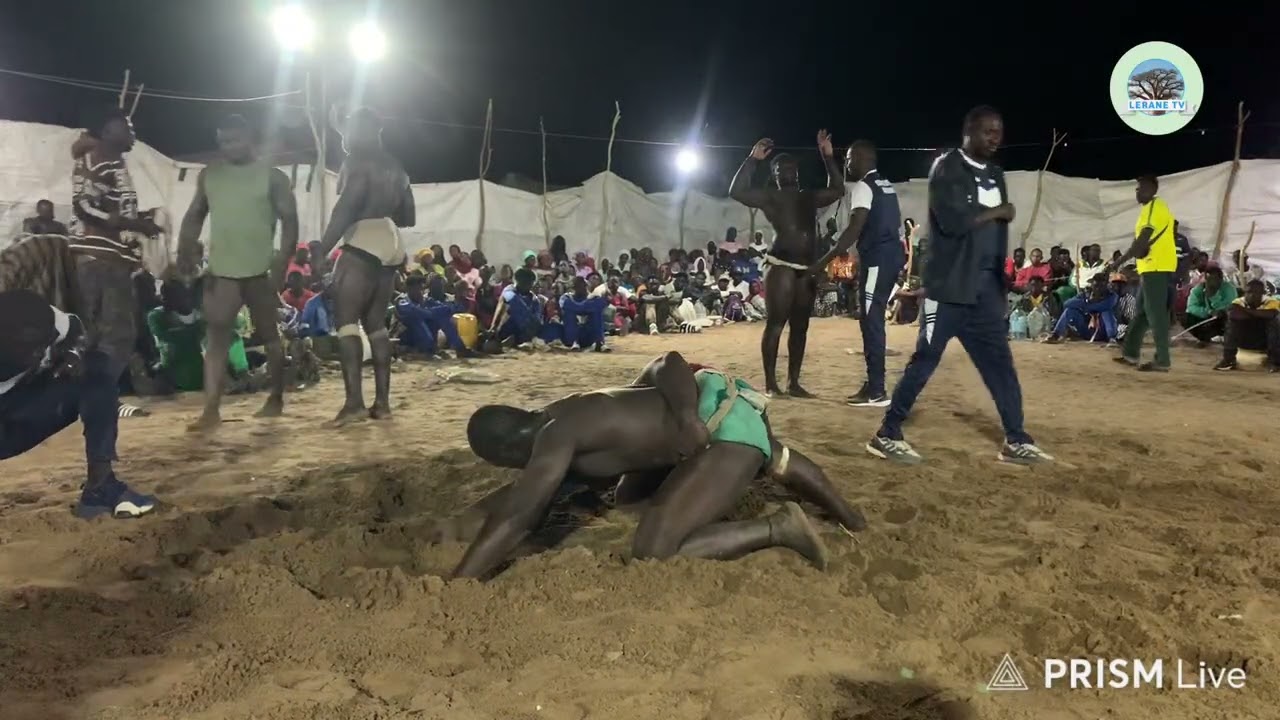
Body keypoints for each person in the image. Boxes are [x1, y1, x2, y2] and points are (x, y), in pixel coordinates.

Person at [446, 351, 868, 579]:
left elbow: (518, 518)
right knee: (629, 494)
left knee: (653, 549)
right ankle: (850, 516)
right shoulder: (570, 410)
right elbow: (660, 367)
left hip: (721, 429)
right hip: (728, 406)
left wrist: (460, 581)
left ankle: (778, 527)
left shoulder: (554, 437)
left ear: (508, 453)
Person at [866, 106, 1052, 466]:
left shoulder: (997, 174)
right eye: (988, 131)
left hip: (984, 292)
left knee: (1000, 364)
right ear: (969, 133)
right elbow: (951, 222)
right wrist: (999, 212)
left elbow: (994, 236)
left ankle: (1016, 438)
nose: (995, 137)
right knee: (925, 359)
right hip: (948, 289)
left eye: (999, 131)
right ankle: (887, 433)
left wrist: (1000, 280)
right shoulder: (947, 168)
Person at [67, 106, 164, 508]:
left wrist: (136, 221)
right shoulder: (103, 159)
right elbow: (82, 207)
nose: (133, 132)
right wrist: (135, 226)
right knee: (105, 360)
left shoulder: (106, 160)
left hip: (102, 262)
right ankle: (100, 481)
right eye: (126, 125)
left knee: (101, 361)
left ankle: (100, 475)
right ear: (107, 129)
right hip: (101, 265)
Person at [176, 114, 298, 430]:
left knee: (271, 336)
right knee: (216, 339)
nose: (229, 146)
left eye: (235, 139)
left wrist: (282, 262)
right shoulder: (210, 176)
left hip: (260, 270)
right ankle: (211, 410)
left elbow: (290, 222)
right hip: (222, 271)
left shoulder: (274, 178)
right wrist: (184, 249)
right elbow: (193, 216)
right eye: (223, 141)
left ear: (251, 139)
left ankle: (275, 398)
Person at [0, 290, 156, 518]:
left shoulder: (39, 316)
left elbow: (75, 329)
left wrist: (73, 354)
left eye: (42, 345)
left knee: (95, 370)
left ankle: (100, 486)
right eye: (28, 350)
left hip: (22, 408)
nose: (39, 354)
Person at [311, 107, 416, 424]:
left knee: (346, 322)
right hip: (390, 239)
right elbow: (408, 216)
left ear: (368, 131)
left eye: (351, 130)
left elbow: (346, 207)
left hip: (363, 237)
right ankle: (382, 405)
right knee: (376, 325)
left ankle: (354, 404)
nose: (346, 137)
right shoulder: (397, 167)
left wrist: (323, 249)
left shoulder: (357, 159)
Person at [729, 131, 845, 396]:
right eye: (781, 168)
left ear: (798, 172)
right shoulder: (771, 197)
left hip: (806, 270)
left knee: (801, 328)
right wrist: (752, 159)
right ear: (774, 174)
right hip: (781, 266)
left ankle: (794, 382)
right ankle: (771, 384)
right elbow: (736, 191)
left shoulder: (808, 197)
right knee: (776, 325)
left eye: (791, 167)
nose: (787, 171)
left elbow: (838, 190)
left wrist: (827, 156)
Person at [809, 140, 903, 407]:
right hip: (889, 256)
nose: (847, 163)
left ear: (863, 158)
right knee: (870, 318)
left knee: (872, 320)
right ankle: (873, 385)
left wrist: (821, 263)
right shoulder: (885, 184)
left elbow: (853, 229)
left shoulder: (863, 186)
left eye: (850, 158)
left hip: (878, 259)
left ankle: (876, 391)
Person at [1111, 175, 1176, 372]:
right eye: (1137, 189)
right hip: (1149, 267)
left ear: (1153, 190)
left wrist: (1116, 263)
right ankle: (1130, 354)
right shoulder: (1147, 210)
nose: (1137, 192)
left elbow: (1141, 242)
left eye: (1141, 188)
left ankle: (1162, 360)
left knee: (1155, 314)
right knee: (1142, 313)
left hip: (1157, 266)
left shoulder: (1156, 207)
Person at [395, 274, 474, 358]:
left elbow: (446, 308)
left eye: (421, 289)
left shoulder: (425, 300)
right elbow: (416, 312)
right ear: (409, 289)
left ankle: (460, 349)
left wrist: (442, 310)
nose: (420, 292)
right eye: (417, 289)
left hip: (420, 335)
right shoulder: (402, 300)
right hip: (404, 336)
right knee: (417, 319)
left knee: (443, 317)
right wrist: (433, 312)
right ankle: (429, 349)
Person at [1216, 280, 1280, 372]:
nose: (1252, 295)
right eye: (1249, 292)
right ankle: (1228, 360)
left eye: (1256, 292)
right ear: (1245, 292)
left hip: (1264, 341)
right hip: (1244, 340)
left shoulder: (1271, 301)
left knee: (1274, 322)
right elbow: (1234, 315)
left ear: (1262, 293)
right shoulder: (1238, 301)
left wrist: (1245, 311)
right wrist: (1259, 314)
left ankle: (1275, 362)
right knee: (1232, 323)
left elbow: (1271, 314)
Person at [1042, 273, 1117, 343]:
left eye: (1101, 286)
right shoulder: (1085, 294)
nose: (1098, 289)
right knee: (1069, 311)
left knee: (1106, 312)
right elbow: (1067, 303)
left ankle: (1112, 338)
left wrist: (1087, 306)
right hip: (1086, 328)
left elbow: (1105, 306)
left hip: (1103, 331)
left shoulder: (1112, 296)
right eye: (1095, 286)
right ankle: (1056, 335)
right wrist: (1085, 301)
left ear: (1106, 286)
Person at [1182, 266, 1237, 344]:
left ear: (1221, 279)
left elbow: (1230, 307)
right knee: (1187, 317)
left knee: (1229, 317)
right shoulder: (1197, 290)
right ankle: (1203, 338)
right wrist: (1208, 312)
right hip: (1206, 317)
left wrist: (1214, 297)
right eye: (1209, 279)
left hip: (1222, 319)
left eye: (1215, 279)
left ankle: (1220, 337)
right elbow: (1191, 307)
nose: (1212, 282)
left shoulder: (1229, 289)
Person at [560, 276, 611, 352]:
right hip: (571, 336)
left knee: (597, 313)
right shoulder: (566, 297)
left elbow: (602, 304)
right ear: (574, 288)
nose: (582, 288)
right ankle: (575, 341)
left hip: (589, 334)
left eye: (583, 285)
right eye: (578, 286)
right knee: (569, 313)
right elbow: (573, 306)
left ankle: (600, 342)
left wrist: (590, 304)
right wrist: (588, 306)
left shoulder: (595, 297)